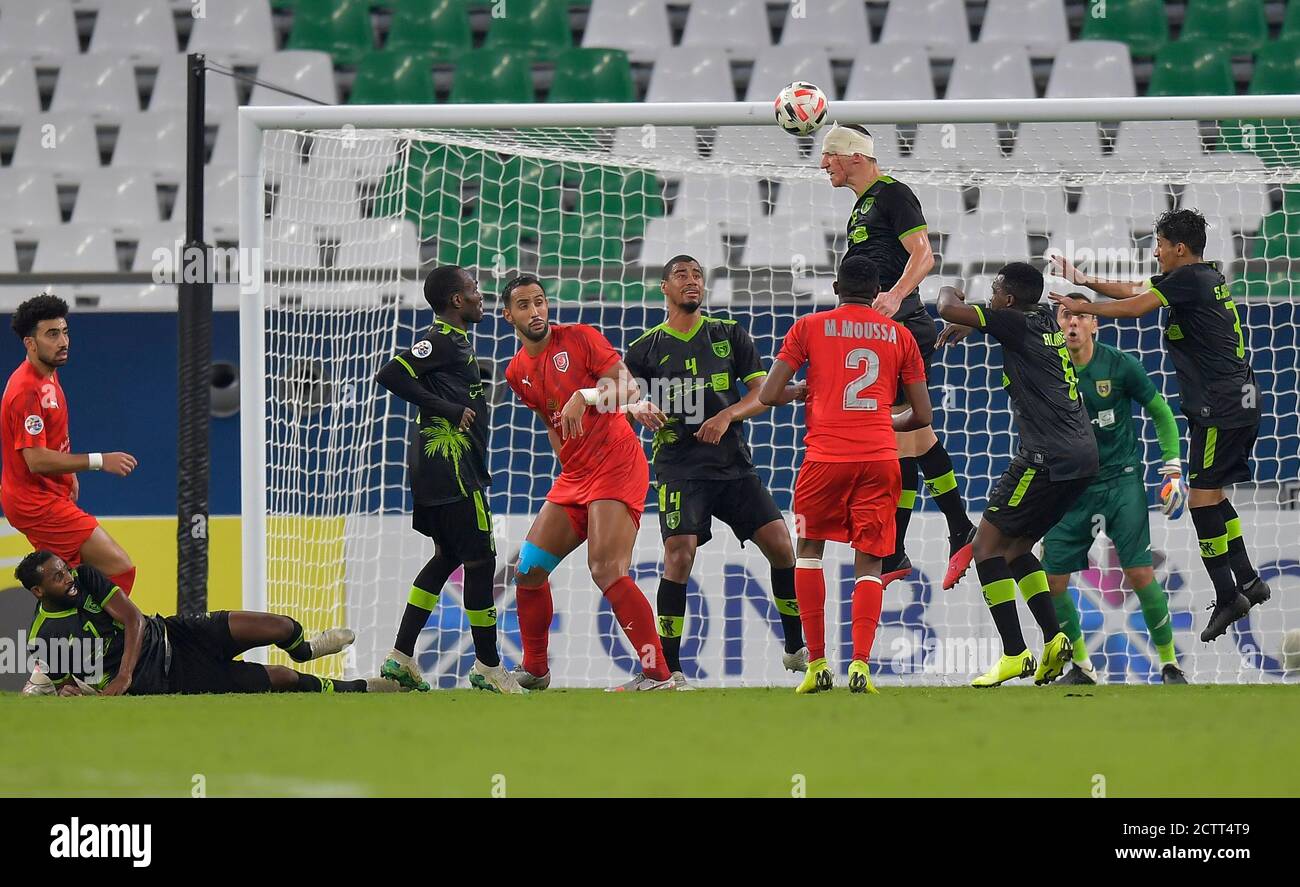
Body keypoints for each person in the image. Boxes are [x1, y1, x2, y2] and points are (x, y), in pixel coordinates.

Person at [1051, 208, 1270, 642]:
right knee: (1216, 494)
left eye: (1160, 245)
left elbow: (1135, 306)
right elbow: (1137, 289)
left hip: (1219, 407)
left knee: (1201, 502)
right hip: (1240, 401)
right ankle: (1247, 579)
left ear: (1179, 248)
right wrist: (1084, 279)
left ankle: (1229, 593)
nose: (1156, 253)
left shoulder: (1187, 281)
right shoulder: (1202, 278)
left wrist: (1082, 305)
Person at [622, 255, 807, 688]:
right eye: (682, 276)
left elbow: (762, 395)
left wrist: (726, 417)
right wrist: (638, 407)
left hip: (733, 465)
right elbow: (626, 399)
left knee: (781, 545)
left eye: (698, 275)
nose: (692, 281)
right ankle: (668, 670)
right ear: (664, 287)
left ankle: (796, 648)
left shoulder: (728, 334)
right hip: (679, 469)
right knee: (679, 555)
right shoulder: (644, 348)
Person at [759, 256, 933, 694]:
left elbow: (768, 392)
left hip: (824, 459)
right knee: (871, 559)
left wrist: (804, 391)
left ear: (836, 286)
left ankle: (817, 664)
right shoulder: (900, 334)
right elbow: (923, 415)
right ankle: (861, 664)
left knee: (809, 552)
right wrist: (883, 422)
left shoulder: (809, 327)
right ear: (877, 293)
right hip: (879, 459)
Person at [820, 123, 977, 591]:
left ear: (854, 156)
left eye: (829, 154)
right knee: (911, 438)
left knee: (905, 436)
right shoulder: (862, 206)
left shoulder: (892, 193)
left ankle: (924, 540)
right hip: (885, 331)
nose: (823, 163)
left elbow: (924, 256)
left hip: (903, 326)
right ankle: (930, 538)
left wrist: (894, 295)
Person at [501, 275, 673, 691]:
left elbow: (628, 387)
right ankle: (536, 671)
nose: (535, 311)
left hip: (616, 462)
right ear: (509, 316)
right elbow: (550, 420)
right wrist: (567, 458)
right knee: (527, 570)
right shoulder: (516, 371)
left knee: (606, 569)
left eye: (539, 301)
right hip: (576, 475)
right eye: (524, 305)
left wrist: (587, 395)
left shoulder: (579, 338)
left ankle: (658, 674)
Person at [936, 263, 1098, 687]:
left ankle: (1014, 653)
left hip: (1045, 457)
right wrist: (982, 324)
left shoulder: (1014, 321)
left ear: (1008, 299)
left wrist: (955, 285)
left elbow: (946, 307)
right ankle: (1053, 639)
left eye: (995, 289)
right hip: (1082, 459)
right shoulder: (1043, 317)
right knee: (1018, 546)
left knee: (985, 546)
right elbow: (998, 320)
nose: (991, 294)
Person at [373, 267, 519, 694]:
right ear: (457, 300)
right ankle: (489, 666)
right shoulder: (440, 339)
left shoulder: (456, 341)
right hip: (453, 468)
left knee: (447, 557)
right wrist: (448, 409)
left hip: (441, 466)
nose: (480, 295)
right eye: (473, 289)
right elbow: (391, 374)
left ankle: (400, 657)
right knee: (480, 561)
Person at [1045, 295, 1188, 684]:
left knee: (1140, 573)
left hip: (1121, 479)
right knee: (1052, 580)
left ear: (1096, 325)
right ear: (1057, 324)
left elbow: (1161, 413)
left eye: (1082, 316)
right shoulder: (1047, 366)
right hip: (1071, 487)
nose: (1073, 323)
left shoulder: (1120, 365)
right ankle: (1082, 666)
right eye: (1066, 315)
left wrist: (1172, 469)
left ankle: (1169, 663)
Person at [18, 550, 378, 696]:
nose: (68, 578)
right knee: (280, 679)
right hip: (167, 678)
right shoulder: (44, 636)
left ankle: (307, 649)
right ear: (38, 590)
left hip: (176, 633)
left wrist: (123, 674)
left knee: (280, 627)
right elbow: (67, 684)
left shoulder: (87, 578)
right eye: (57, 577)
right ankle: (359, 689)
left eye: (65, 569)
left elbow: (132, 620)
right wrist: (70, 691)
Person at [2, 294, 138, 595]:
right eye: (52, 334)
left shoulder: (47, 373)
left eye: (65, 332)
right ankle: (90, 636)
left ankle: (68, 635)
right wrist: (100, 460)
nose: (63, 341)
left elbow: (52, 435)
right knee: (119, 568)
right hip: (34, 502)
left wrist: (68, 474)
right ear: (30, 343)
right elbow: (35, 460)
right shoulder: (27, 391)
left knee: (72, 578)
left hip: (46, 493)